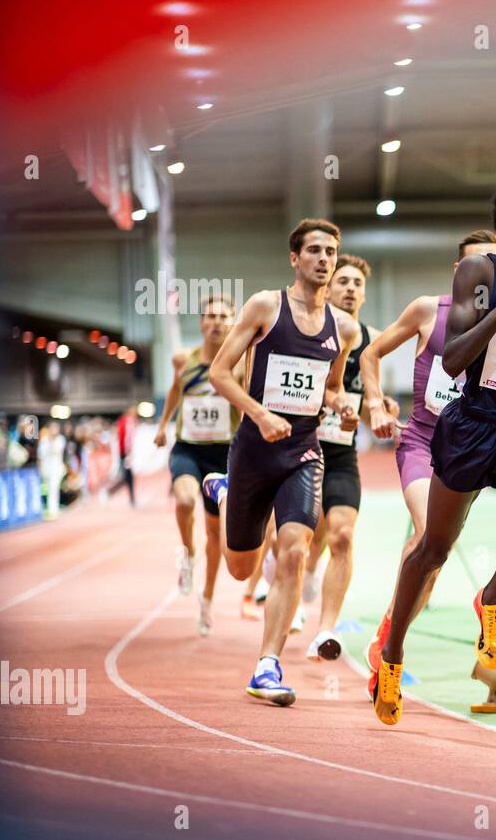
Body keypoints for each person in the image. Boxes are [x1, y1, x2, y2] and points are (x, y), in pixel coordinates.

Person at [367, 166, 496, 725]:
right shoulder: (478, 271)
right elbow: (455, 359)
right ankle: (391, 654)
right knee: (432, 548)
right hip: (470, 425)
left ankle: (490, 601)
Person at [200, 218, 358, 707]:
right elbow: (219, 373)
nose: (324, 259)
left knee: (295, 550)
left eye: (330, 251)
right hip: (253, 448)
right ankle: (226, 492)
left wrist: (342, 405)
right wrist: (260, 413)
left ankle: (267, 665)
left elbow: (328, 388)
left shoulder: (343, 329)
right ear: (295, 259)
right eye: (313, 250)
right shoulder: (266, 306)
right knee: (241, 570)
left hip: (304, 453)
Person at [358, 228, 496, 681]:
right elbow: (371, 353)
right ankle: (388, 647)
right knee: (428, 538)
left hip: (469, 454)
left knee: (435, 558)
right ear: (458, 269)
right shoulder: (428, 310)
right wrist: (375, 401)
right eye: (478, 263)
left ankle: (389, 629)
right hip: (422, 444)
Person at [297, 253, 376, 661]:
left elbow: (371, 401)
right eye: (343, 281)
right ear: (328, 288)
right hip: (300, 452)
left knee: (342, 534)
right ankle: (301, 577)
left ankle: (325, 629)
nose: (350, 288)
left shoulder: (374, 341)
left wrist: (378, 410)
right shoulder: (308, 332)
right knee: (303, 537)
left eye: (357, 283)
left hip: (342, 455)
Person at [154, 295, 242, 636]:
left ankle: (206, 599)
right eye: (211, 315)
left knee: (216, 534)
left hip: (224, 455)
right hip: (188, 448)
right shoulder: (182, 359)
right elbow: (175, 391)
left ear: (233, 322)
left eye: (224, 316)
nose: (218, 321)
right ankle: (187, 555)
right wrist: (163, 425)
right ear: (202, 322)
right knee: (186, 499)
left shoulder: (238, 364)